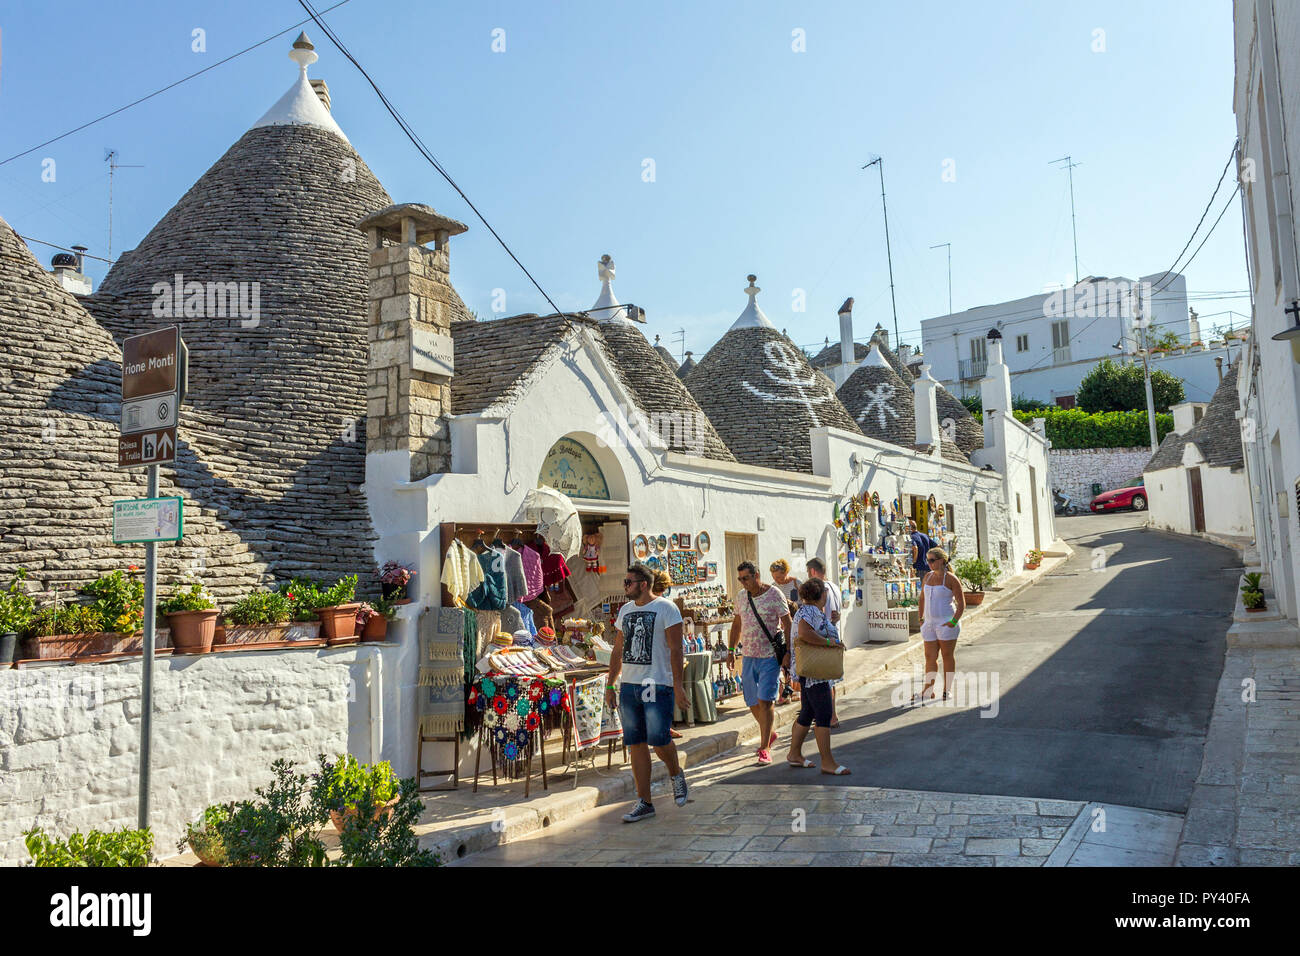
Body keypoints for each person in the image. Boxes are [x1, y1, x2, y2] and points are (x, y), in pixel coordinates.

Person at [606, 563, 689, 822]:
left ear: (643, 584)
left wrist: (677, 686)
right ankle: (644, 801)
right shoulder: (625, 611)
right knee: (635, 743)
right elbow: (618, 649)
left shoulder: (666, 608)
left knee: (659, 739)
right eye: (625, 581)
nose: (625, 586)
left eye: (628, 582)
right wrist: (611, 683)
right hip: (630, 685)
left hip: (657, 684)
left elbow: (676, 650)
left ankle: (676, 773)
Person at [728, 561, 791, 765]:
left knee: (766, 700)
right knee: (751, 701)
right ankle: (769, 732)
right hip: (748, 656)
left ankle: (764, 747)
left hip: (769, 656)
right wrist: (730, 651)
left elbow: (787, 623)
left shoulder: (774, 594)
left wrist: (788, 652)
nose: (743, 582)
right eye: (740, 579)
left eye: (745, 578)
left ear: (757, 575)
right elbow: (736, 624)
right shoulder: (740, 596)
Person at [786, 577, 849, 775]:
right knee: (823, 713)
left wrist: (830, 624)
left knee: (807, 712)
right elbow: (805, 634)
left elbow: (812, 631)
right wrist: (830, 643)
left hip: (811, 670)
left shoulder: (807, 611)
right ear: (821, 594)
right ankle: (827, 761)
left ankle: (794, 754)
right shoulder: (810, 611)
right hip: (816, 673)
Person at [915, 546, 965, 703]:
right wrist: (921, 619)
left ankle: (947, 690)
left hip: (946, 622)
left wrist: (953, 621)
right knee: (930, 657)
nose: (929, 563)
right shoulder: (928, 577)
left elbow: (961, 603)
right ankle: (928, 689)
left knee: (947, 655)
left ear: (942, 561)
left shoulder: (950, 579)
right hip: (929, 623)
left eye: (932, 560)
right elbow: (922, 598)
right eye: (927, 560)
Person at [805, 557, 843, 726]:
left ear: (813, 571)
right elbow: (837, 613)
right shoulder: (834, 586)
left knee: (824, 682)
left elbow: (821, 616)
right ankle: (832, 716)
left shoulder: (821, 590)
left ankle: (828, 717)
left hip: (824, 640)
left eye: (808, 572)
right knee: (830, 680)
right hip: (833, 638)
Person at [651, 569, 684, 739]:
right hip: (662, 660)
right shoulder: (667, 607)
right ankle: (664, 729)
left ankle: (665, 727)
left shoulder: (648, 605)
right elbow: (676, 646)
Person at [769, 559, 801, 704]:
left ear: (786, 572)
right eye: (775, 578)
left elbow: (804, 603)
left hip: (796, 625)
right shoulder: (773, 588)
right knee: (782, 659)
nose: (778, 580)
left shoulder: (796, 584)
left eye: (780, 577)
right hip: (780, 627)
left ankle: (795, 690)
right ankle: (785, 692)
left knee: (795, 659)